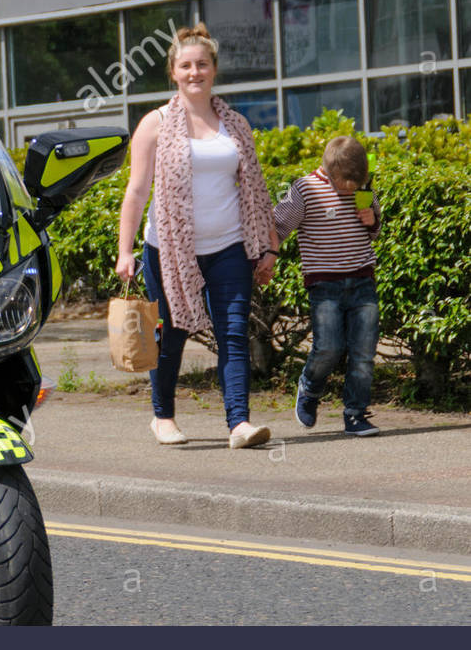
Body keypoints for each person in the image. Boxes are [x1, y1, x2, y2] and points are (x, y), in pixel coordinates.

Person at [114, 25, 279, 449]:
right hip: (167, 250)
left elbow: (256, 192)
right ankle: (163, 416)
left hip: (229, 247)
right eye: (186, 65)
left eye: (202, 64)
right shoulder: (156, 123)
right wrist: (125, 250)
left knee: (233, 333)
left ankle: (239, 424)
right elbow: (136, 190)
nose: (194, 72)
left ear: (214, 70)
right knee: (170, 335)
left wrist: (267, 246)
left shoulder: (236, 125)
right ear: (173, 72)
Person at [274, 136, 381, 437]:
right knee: (329, 348)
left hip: (362, 280)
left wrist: (372, 219)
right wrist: (264, 255)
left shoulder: (362, 186)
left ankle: (356, 414)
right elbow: (279, 225)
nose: (351, 189)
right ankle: (309, 387)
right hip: (324, 284)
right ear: (330, 171)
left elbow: (375, 231)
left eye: (357, 183)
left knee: (363, 352)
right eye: (345, 184)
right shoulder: (305, 190)